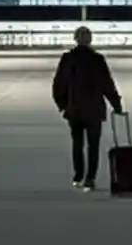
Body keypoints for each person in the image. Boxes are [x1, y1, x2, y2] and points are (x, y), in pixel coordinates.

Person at [52, 26, 123, 191]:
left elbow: (58, 84)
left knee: (77, 144)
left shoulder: (68, 58)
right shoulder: (97, 59)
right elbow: (107, 84)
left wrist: (63, 106)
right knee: (93, 145)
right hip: (94, 109)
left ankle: (78, 176)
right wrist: (117, 105)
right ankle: (90, 178)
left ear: (75, 38)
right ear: (90, 39)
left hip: (75, 109)